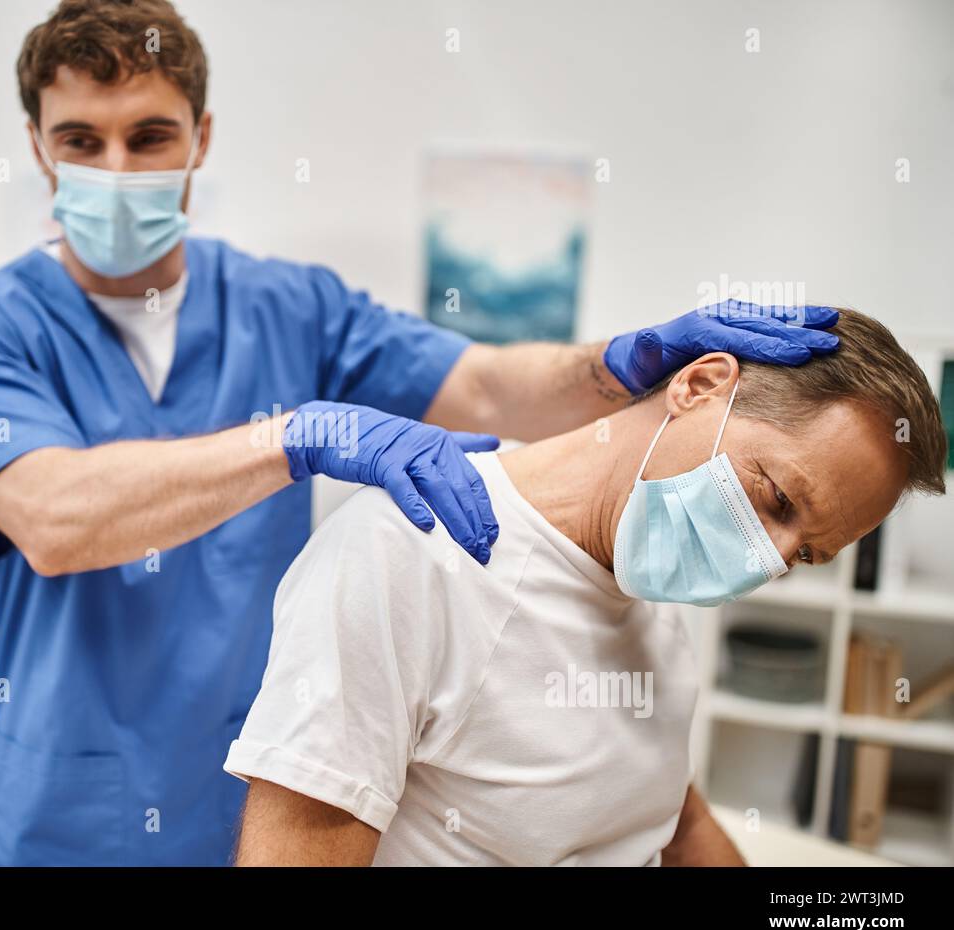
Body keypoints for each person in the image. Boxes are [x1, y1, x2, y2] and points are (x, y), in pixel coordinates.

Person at [0, 0, 840, 865]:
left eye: (149, 135)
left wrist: (616, 365)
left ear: (201, 138)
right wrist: (292, 438)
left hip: (250, 802)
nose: (117, 170)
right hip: (55, 813)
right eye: (82, 141)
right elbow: (53, 519)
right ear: (38, 149)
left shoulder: (292, 307)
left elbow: (480, 383)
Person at [225, 309, 946, 866]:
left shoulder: (650, 570)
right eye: (779, 500)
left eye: (807, 557)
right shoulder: (409, 553)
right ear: (698, 386)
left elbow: (669, 815)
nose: (768, 559)